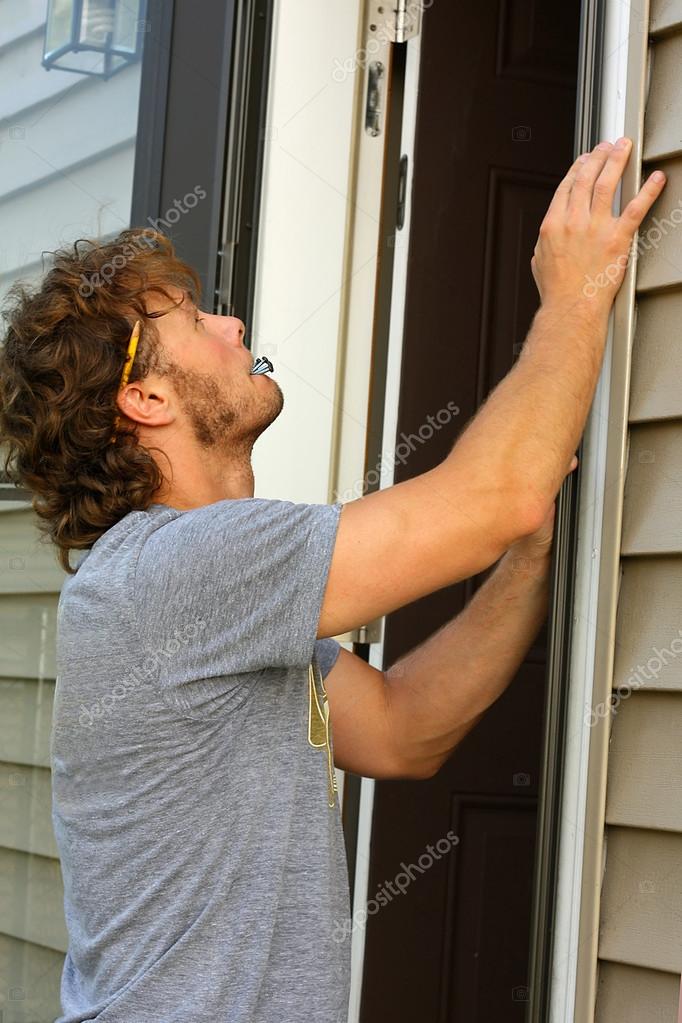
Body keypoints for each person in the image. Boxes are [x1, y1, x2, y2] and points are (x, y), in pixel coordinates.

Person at [0, 139, 665, 1022]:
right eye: (196, 322)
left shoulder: (207, 598)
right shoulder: (177, 572)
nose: (233, 327)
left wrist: (528, 552)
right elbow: (491, 495)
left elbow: (402, 730)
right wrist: (577, 293)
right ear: (145, 401)